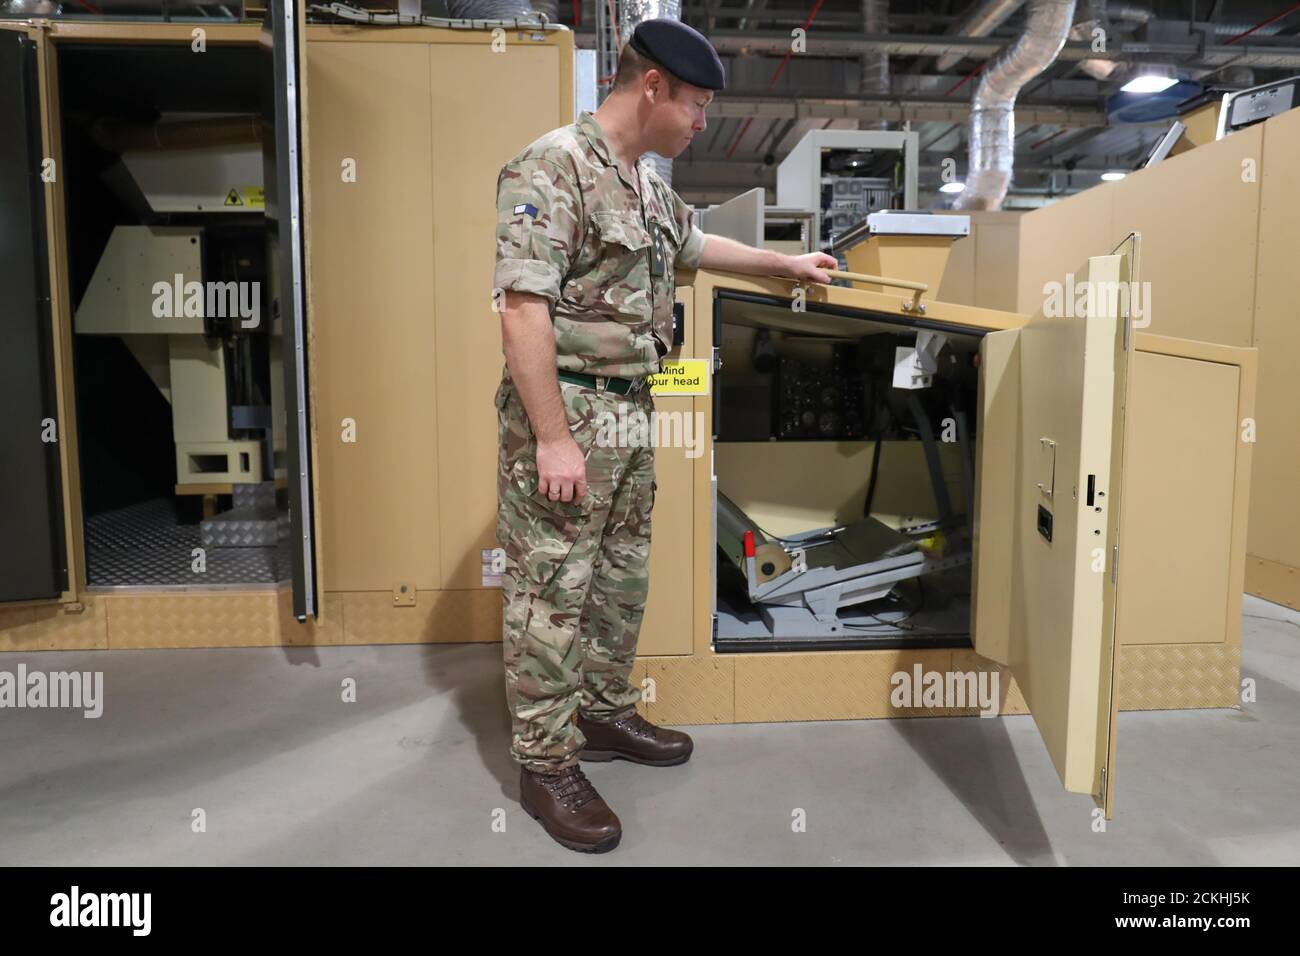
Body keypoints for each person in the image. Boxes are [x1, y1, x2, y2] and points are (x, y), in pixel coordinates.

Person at [492, 17, 837, 853]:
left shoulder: (642, 182)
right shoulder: (553, 165)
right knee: (552, 593)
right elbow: (521, 306)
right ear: (652, 87)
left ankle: (604, 716)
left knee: (618, 583)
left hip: (631, 411)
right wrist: (550, 438)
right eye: (697, 103)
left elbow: (693, 241)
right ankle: (546, 764)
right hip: (569, 413)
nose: (702, 120)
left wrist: (784, 265)